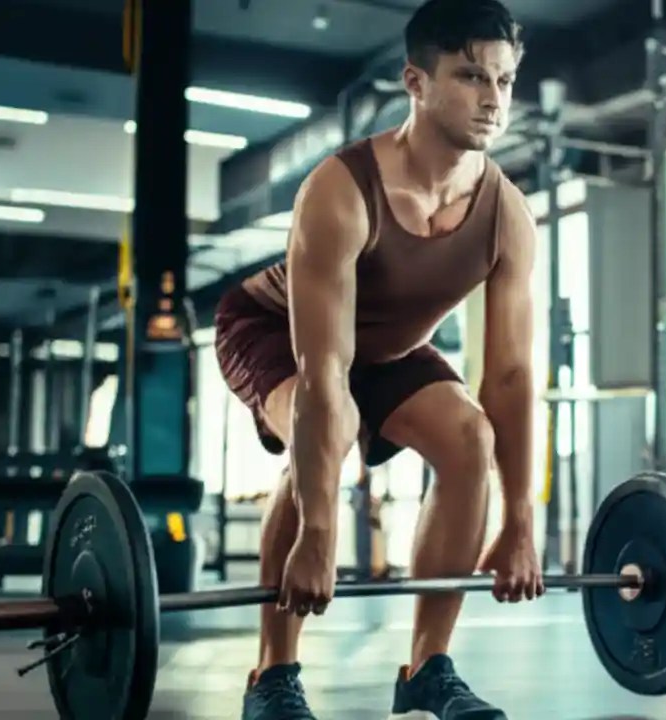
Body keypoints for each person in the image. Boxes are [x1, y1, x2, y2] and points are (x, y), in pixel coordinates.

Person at [211, 1, 540, 718]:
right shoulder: (341, 189)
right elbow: (324, 373)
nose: (493, 99)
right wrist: (318, 531)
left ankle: (428, 666)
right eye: (471, 77)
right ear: (415, 82)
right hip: (275, 330)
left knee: (470, 438)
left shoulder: (507, 213)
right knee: (325, 436)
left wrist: (519, 518)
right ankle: (273, 674)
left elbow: (511, 376)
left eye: (505, 80)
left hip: (389, 346)